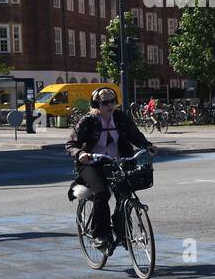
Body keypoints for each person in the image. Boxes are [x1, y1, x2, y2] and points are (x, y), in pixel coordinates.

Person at [66, 88, 159, 249]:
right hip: (91, 164)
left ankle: (120, 229)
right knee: (101, 192)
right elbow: (70, 144)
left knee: (124, 194)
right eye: (105, 102)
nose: (110, 105)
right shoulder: (88, 121)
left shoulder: (120, 118)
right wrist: (80, 153)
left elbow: (134, 134)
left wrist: (147, 146)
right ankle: (99, 235)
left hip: (116, 162)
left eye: (113, 101)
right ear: (96, 104)